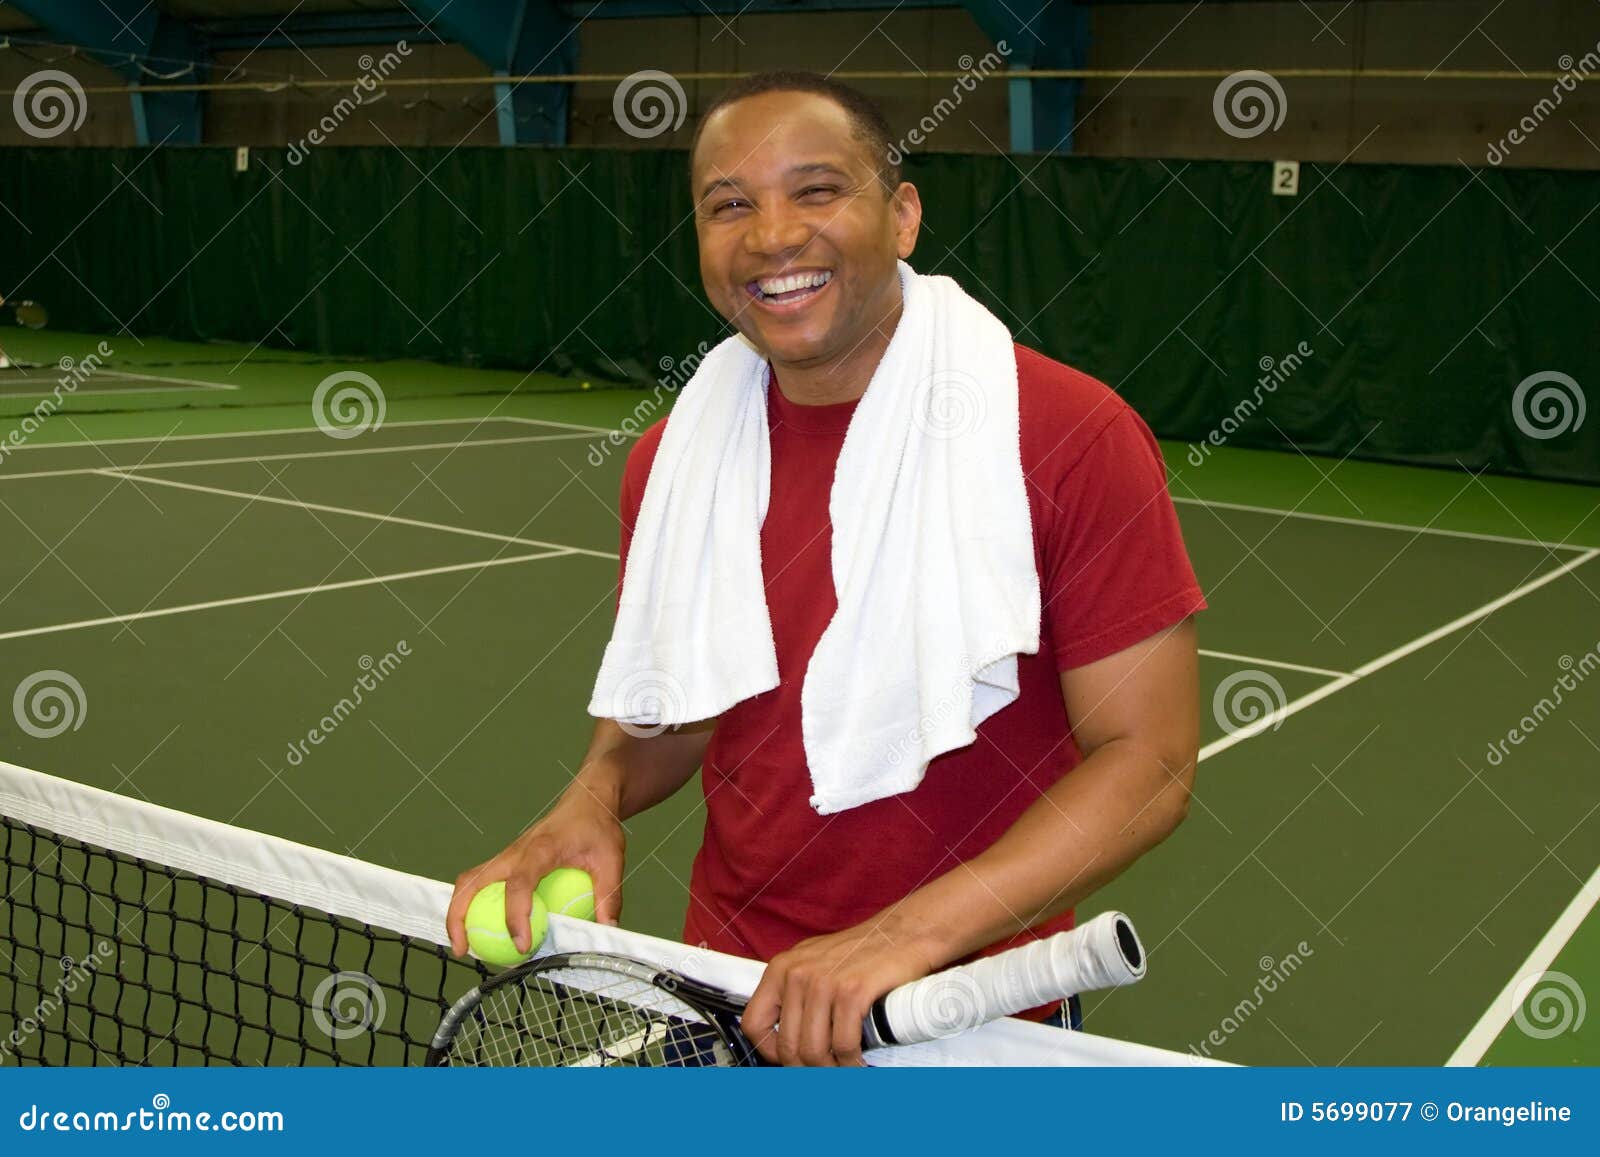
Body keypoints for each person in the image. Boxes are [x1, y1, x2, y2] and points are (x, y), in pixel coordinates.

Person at [447, 71, 1206, 1066]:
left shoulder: (1072, 435)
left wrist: (898, 941)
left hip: (971, 1013)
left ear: (900, 216)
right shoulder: (672, 459)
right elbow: (678, 701)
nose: (771, 236)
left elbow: (1145, 763)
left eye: (816, 190)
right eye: (729, 205)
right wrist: (590, 798)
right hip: (725, 991)